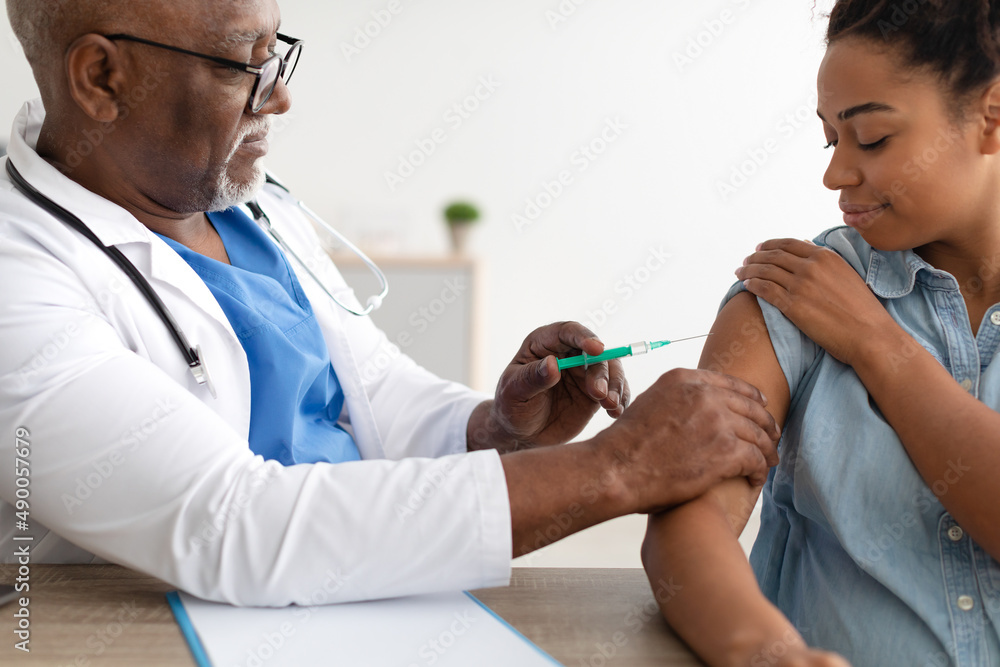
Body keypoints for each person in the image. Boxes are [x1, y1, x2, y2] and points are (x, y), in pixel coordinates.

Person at [0, 0, 781, 607]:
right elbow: (235, 523)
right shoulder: (20, 275)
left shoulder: (252, 207)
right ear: (102, 79)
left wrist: (494, 428)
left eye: (278, 54)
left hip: (357, 605)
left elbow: (374, 394)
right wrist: (619, 467)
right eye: (244, 63)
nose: (279, 99)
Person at [642, 1, 1000, 665]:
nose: (835, 175)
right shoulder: (792, 290)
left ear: (991, 115)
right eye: (832, 140)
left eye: (871, 139)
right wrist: (765, 650)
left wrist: (878, 344)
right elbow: (687, 525)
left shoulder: (837, 310)